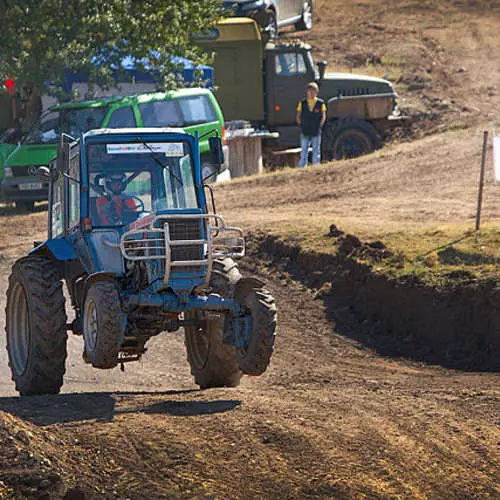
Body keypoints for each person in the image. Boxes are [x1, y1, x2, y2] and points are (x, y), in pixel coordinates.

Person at [296, 82, 326, 167]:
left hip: (316, 131)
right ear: (307, 92)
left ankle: (316, 165)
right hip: (305, 130)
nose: (311, 93)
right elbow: (298, 115)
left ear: (316, 92)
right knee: (304, 150)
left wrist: (319, 126)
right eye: (309, 91)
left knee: (316, 150)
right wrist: (301, 125)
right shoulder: (302, 103)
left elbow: (323, 116)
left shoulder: (321, 103)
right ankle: (302, 166)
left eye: (313, 91)